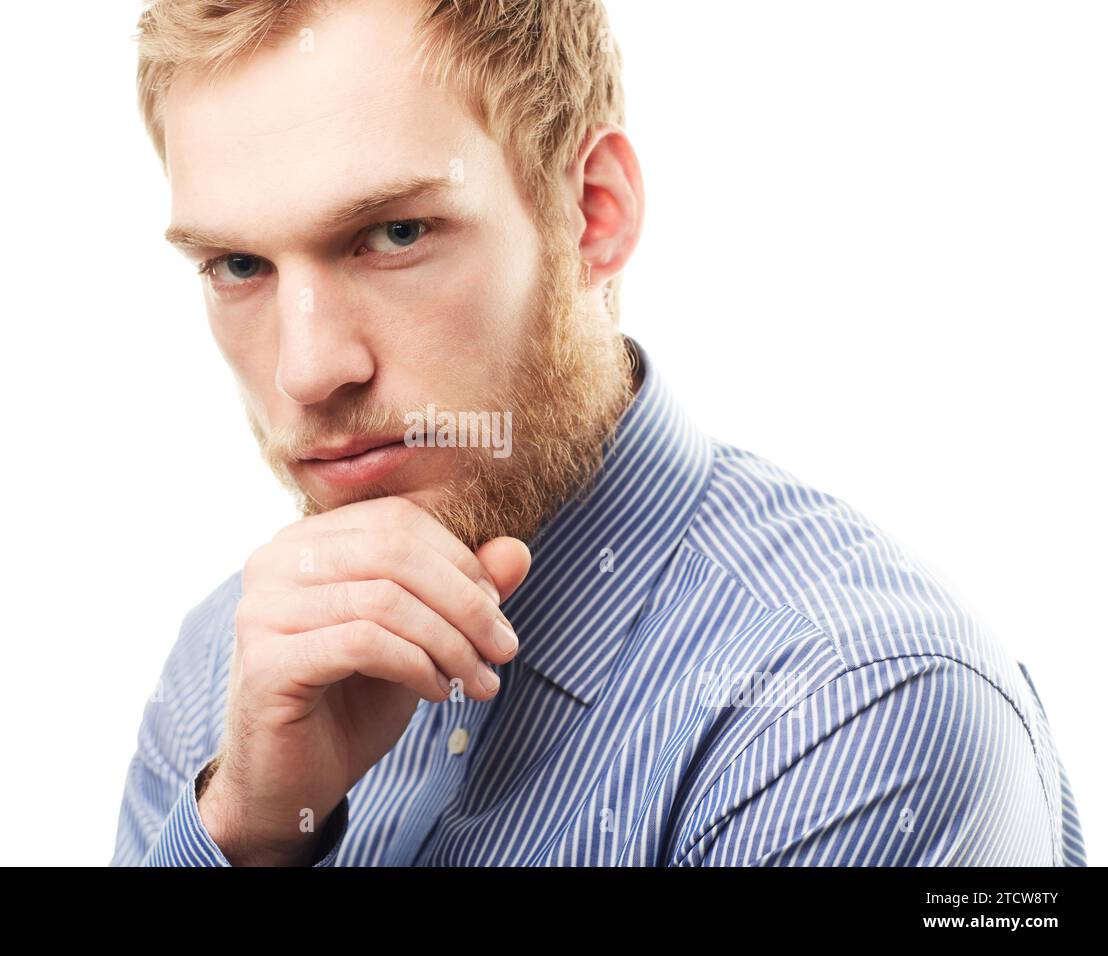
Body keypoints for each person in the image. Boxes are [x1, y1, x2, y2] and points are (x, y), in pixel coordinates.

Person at [111, 0, 1085, 866]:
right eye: (238, 263)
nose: (307, 368)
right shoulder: (227, 671)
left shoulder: (854, 710)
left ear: (593, 215)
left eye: (396, 233)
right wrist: (245, 832)